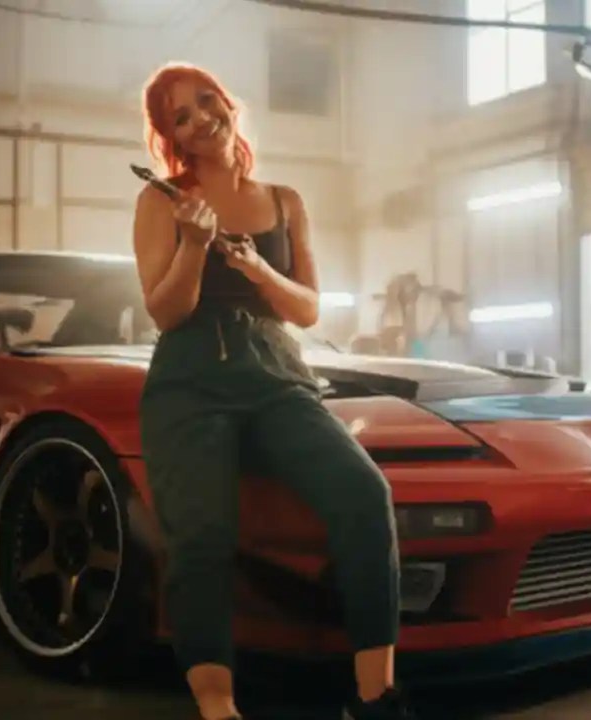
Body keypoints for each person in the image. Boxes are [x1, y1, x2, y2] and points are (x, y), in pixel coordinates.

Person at [131, 63, 414, 720]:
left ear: (228, 104)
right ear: (171, 137)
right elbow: (167, 312)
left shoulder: (285, 201)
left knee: (364, 494)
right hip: (189, 382)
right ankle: (219, 710)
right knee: (203, 536)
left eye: (207, 101)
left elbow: (308, 309)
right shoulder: (160, 202)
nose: (201, 118)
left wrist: (257, 265)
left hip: (280, 375)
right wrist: (195, 248)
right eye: (181, 116)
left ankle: (377, 699)